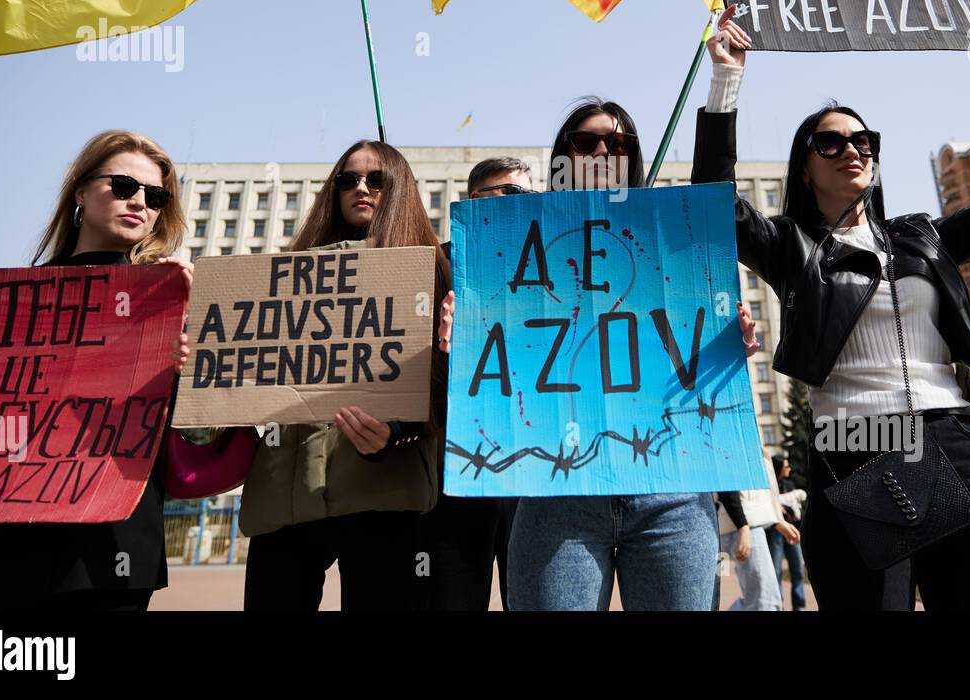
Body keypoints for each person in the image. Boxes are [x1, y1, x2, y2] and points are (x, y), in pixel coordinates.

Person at [692, 1, 970, 610]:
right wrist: (727, 79)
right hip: (854, 447)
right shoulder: (789, 246)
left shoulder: (923, 236)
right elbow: (712, 202)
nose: (851, 150)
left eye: (862, 140)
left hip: (952, 437)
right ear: (804, 168)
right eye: (829, 143)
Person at [438, 99, 760, 610]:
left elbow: (693, 342)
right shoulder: (521, 244)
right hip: (556, 491)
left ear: (634, 155)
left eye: (618, 142)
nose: (603, 150)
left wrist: (728, 344)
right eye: (585, 141)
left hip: (671, 490)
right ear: (562, 156)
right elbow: (505, 360)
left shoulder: (676, 230)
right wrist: (465, 346)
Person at [0, 130, 249, 609]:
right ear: (80, 191)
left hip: (106, 550)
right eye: (122, 185)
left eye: (155, 196)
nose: (139, 201)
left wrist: (185, 369)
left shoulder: (175, 303)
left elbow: (192, 428)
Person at [238, 139, 450, 611]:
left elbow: (450, 389)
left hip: (386, 497)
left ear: (400, 189)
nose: (361, 188)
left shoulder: (436, 272)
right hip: (282, 499)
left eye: (377, 180)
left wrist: (395, 434)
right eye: (348, 179)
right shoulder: (283, 275)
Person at [420, 157, 533, 610]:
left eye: (523, 195)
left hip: (533, 472)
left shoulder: (556, 262)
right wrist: (443, 354)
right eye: (501, 193)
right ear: (472, 202)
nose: (513, 204)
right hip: (456, 473)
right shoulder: (436, 267)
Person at [716, 457, 799, 610]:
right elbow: (727, 476)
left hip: (747, 523)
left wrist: (776, 520)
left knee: (763, 600)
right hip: (742, 524)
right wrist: (743, 526)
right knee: (764, 602)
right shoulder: (741, 435)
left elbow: (759, 491)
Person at [767, 453, 808, 609]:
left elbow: (797, 506)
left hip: (791, 530)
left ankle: (800, 606)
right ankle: (778, 605)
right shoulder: (769, 486)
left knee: (797, 570)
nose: (789, 468)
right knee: (775, 571)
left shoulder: (789, 485)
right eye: (786, 466)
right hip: (774, 532)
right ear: (778, 468)